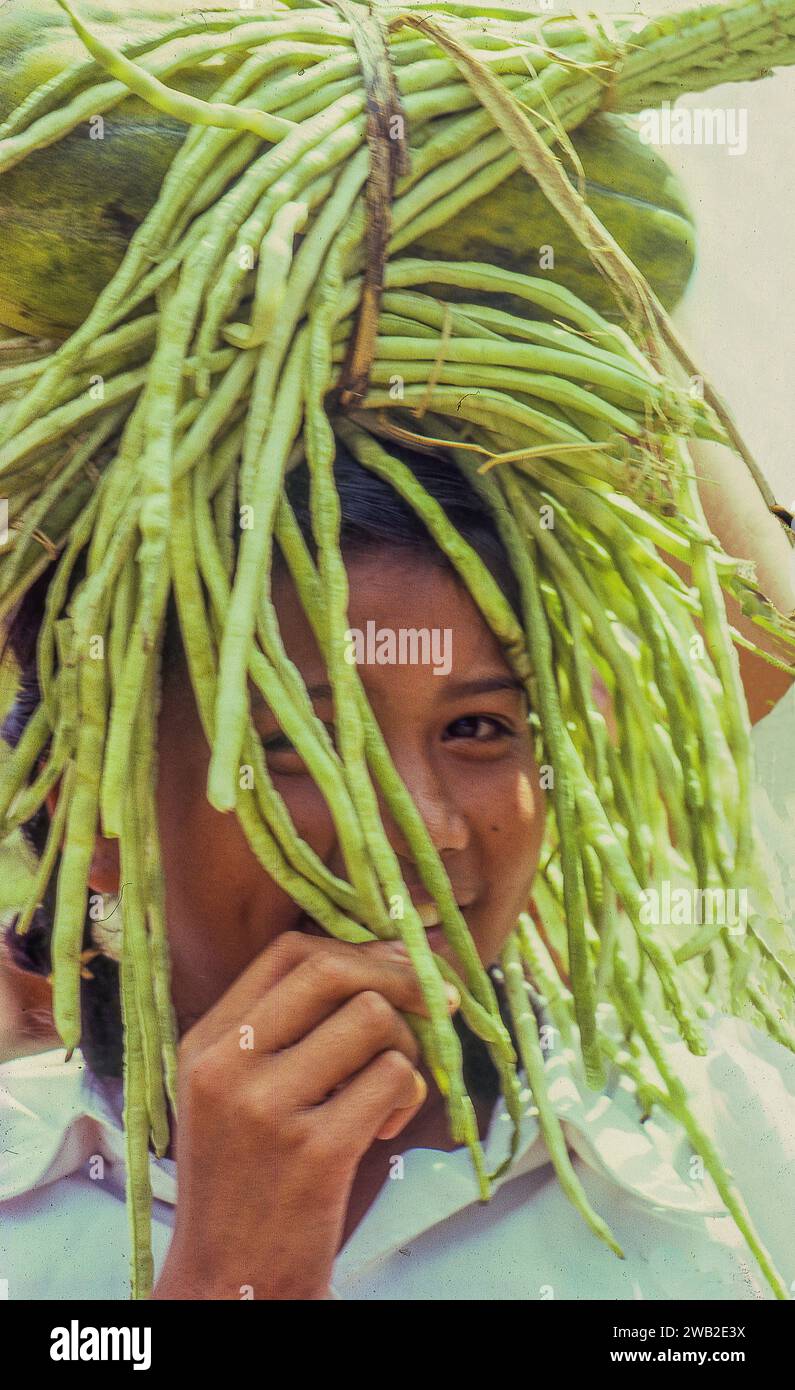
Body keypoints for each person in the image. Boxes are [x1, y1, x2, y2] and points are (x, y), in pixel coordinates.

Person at [0, 436, 793, 1301]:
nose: (429, 824)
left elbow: (759, 638)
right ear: (97, 820)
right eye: (308, 744)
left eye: (478, 728)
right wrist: (227, 1282)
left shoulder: (733, 1133)